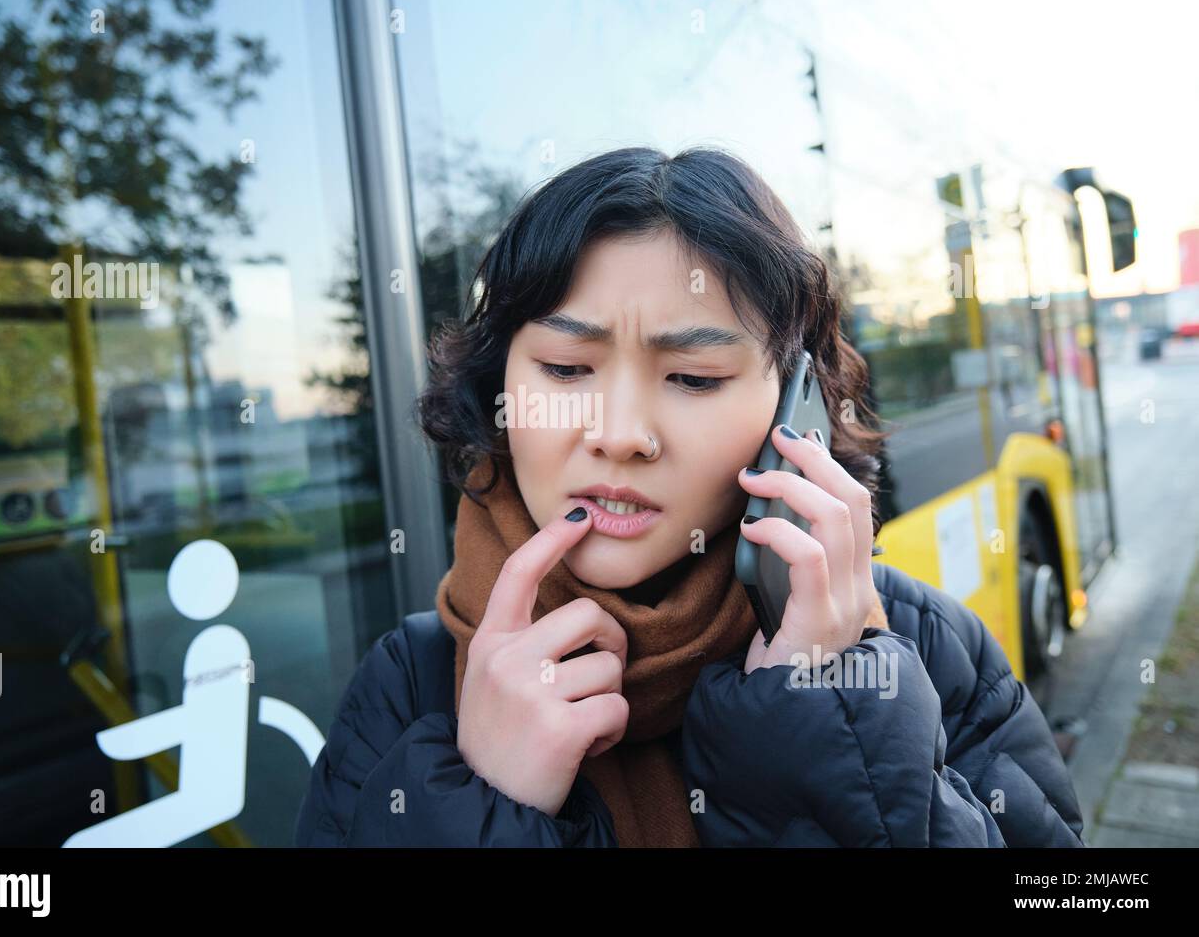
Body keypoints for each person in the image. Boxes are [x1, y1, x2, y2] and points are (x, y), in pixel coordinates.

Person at [293, 146, 1084, 847]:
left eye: (693, 379)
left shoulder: (918, 649)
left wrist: (829, 720)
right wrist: (482, 806)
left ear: (796, 407)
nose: (620, 435)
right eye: (566, 369)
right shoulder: (408, 687)